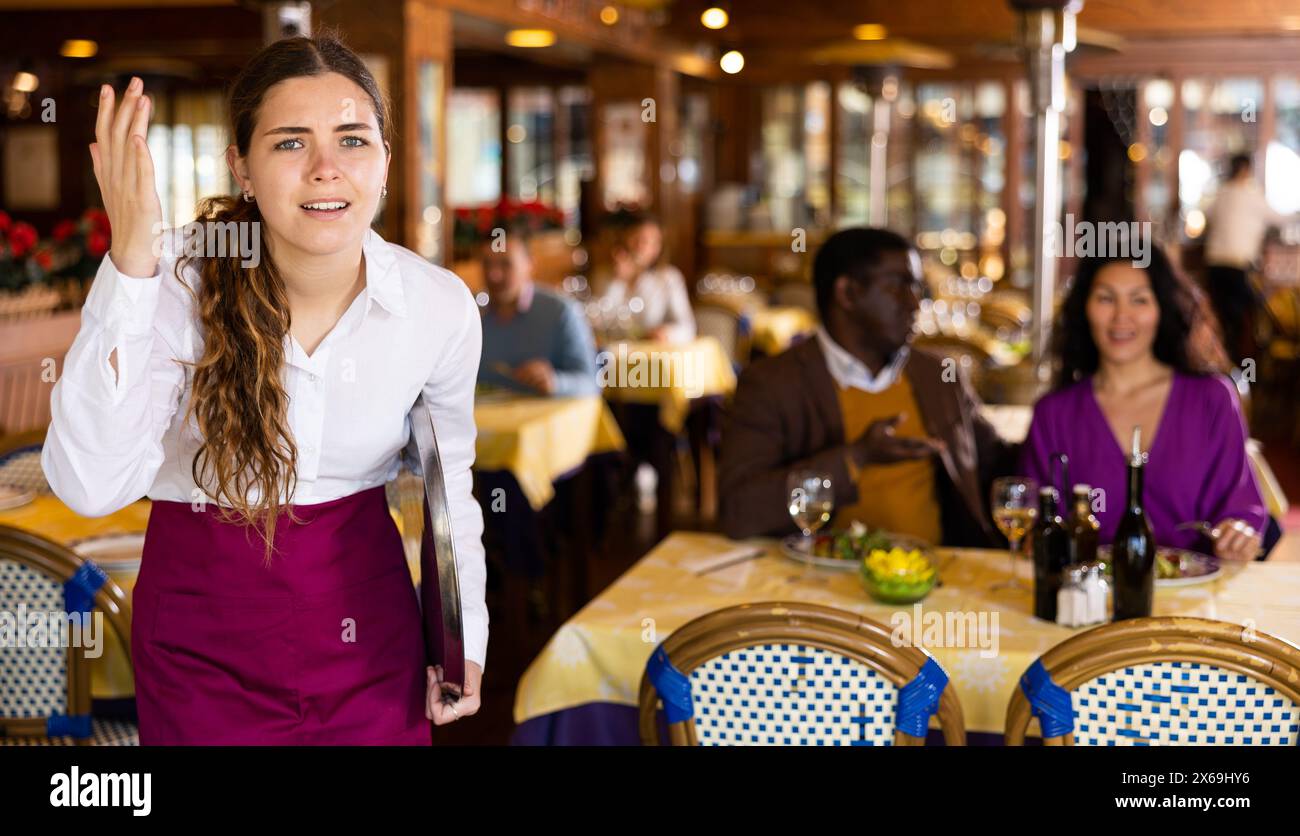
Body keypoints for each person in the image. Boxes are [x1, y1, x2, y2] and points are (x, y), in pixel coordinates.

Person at [41, 35, 486, 744]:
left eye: (352, 139)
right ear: (241, 168)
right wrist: (129, 262)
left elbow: (448, 483)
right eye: (289, 144)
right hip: (200, 645)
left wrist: (466, 637)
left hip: (369, 637)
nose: (325, 170)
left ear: (386, 163)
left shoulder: (438, 305)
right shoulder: (175, 274)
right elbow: (91, 487)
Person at [719, 227, 1015, 546]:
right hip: (819, 582)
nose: (915, 303)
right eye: (896, 287)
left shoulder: (939, 375)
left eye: (916, 287)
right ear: (847, 293)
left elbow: (997, 462)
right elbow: (739, 510)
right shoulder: (773, 383)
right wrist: (855, 458)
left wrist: (1059, 420)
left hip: (931, 579)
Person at [1020, 245, 1268, 560]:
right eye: (1106, 298)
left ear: (1162, 308)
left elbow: (1240, 509)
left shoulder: (1212, 399)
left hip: (1195, 597)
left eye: (1139, 299)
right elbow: (1032, 519)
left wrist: (1239, 533)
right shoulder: (1053, 414)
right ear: (1084, 308)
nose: (1121, 316)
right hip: (1088, 602)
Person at [477, 230, 598, 396]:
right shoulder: (472, 316)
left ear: (530, 265)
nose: (494, 275)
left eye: (506, 264)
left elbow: (592, 385)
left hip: (549, 420)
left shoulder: (560, 312)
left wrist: (555, 382)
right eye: (487, 264)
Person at [1204, 152, 1289, 361]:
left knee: (1222, 316)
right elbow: (1280, 219)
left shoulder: (1220, 193)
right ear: (1246, 169)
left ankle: (1225, 361)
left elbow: (1206, 218)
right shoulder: (1252, 195)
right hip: (1237, 267)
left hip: (1214, 265)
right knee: (1249, 318)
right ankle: (1244, 366)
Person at [593, 211, 695, 343]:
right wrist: (617, 281)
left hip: (651, 356)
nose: (641, 246)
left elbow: (688, 327)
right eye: (636, 238)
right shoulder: (603, 275)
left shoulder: (668, 278)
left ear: (659, 248)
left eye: (650, 241)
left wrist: (667, 333)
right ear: (623, 239)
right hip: (613, 354)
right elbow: (597, 323)